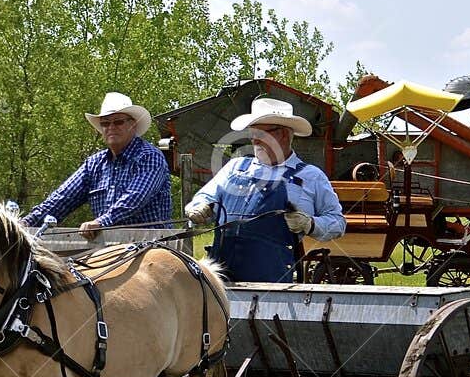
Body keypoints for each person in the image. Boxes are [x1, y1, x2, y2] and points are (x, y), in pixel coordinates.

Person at [185, 97, 346, 282]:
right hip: (220, 280)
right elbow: (206, 196)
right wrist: (199, 206)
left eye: (261, 134)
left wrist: (310, 224)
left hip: (273, 283)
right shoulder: (235, 166)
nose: (254, 140)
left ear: (284, 135)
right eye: (252, 133)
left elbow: (338, 222)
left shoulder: (311, 176)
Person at [26, 92, 173, 239]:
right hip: (107, 250)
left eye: (118, 122)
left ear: (133, 125)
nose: (111, 127)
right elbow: (61, 199)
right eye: (105, 123)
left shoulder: (149, 157)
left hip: (152, 245)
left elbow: (135, 198)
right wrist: (25, 223)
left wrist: (100, 222)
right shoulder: (94, 164)